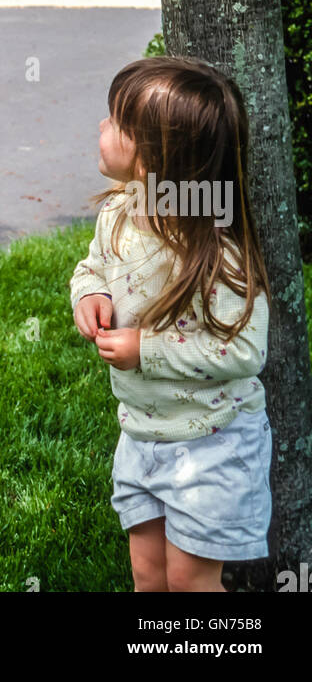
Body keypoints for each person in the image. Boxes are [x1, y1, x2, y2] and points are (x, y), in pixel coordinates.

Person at [70, 56, 272, 591]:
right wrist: (88, 293)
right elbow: (92, 266)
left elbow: (245, 353)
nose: (100, 127)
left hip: (213, 442)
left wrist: (148, 350)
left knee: (189, 582)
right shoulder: (117, 213)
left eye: (116, 122)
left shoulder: (214, 253)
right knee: (148, 574)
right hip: (142, 433)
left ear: (150, 161)